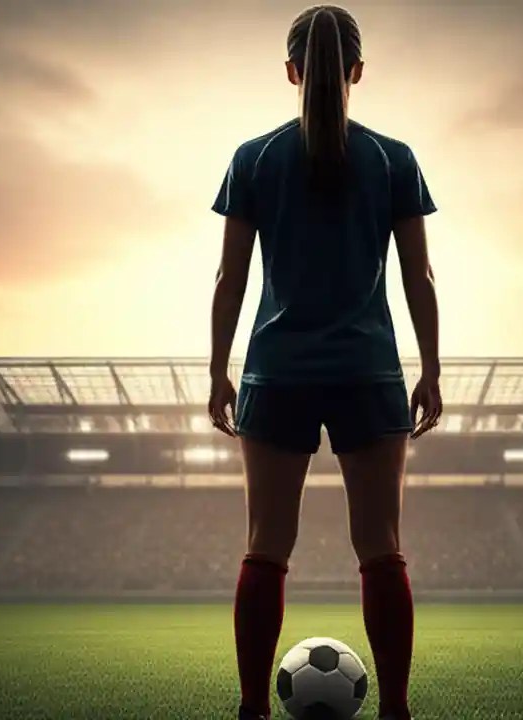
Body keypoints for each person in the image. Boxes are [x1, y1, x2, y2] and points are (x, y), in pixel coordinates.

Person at [206, 5, 441, 719]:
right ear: (357, 72)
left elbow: (231, 281)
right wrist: (430, 367)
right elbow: (418, 279)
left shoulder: (253, 157)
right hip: (369, 372)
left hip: (275, 374)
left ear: (291, 71)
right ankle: (396, 711)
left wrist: (218, 368)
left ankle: (253, 709)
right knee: (380, 548)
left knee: (266, 547)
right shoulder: (394, 158)